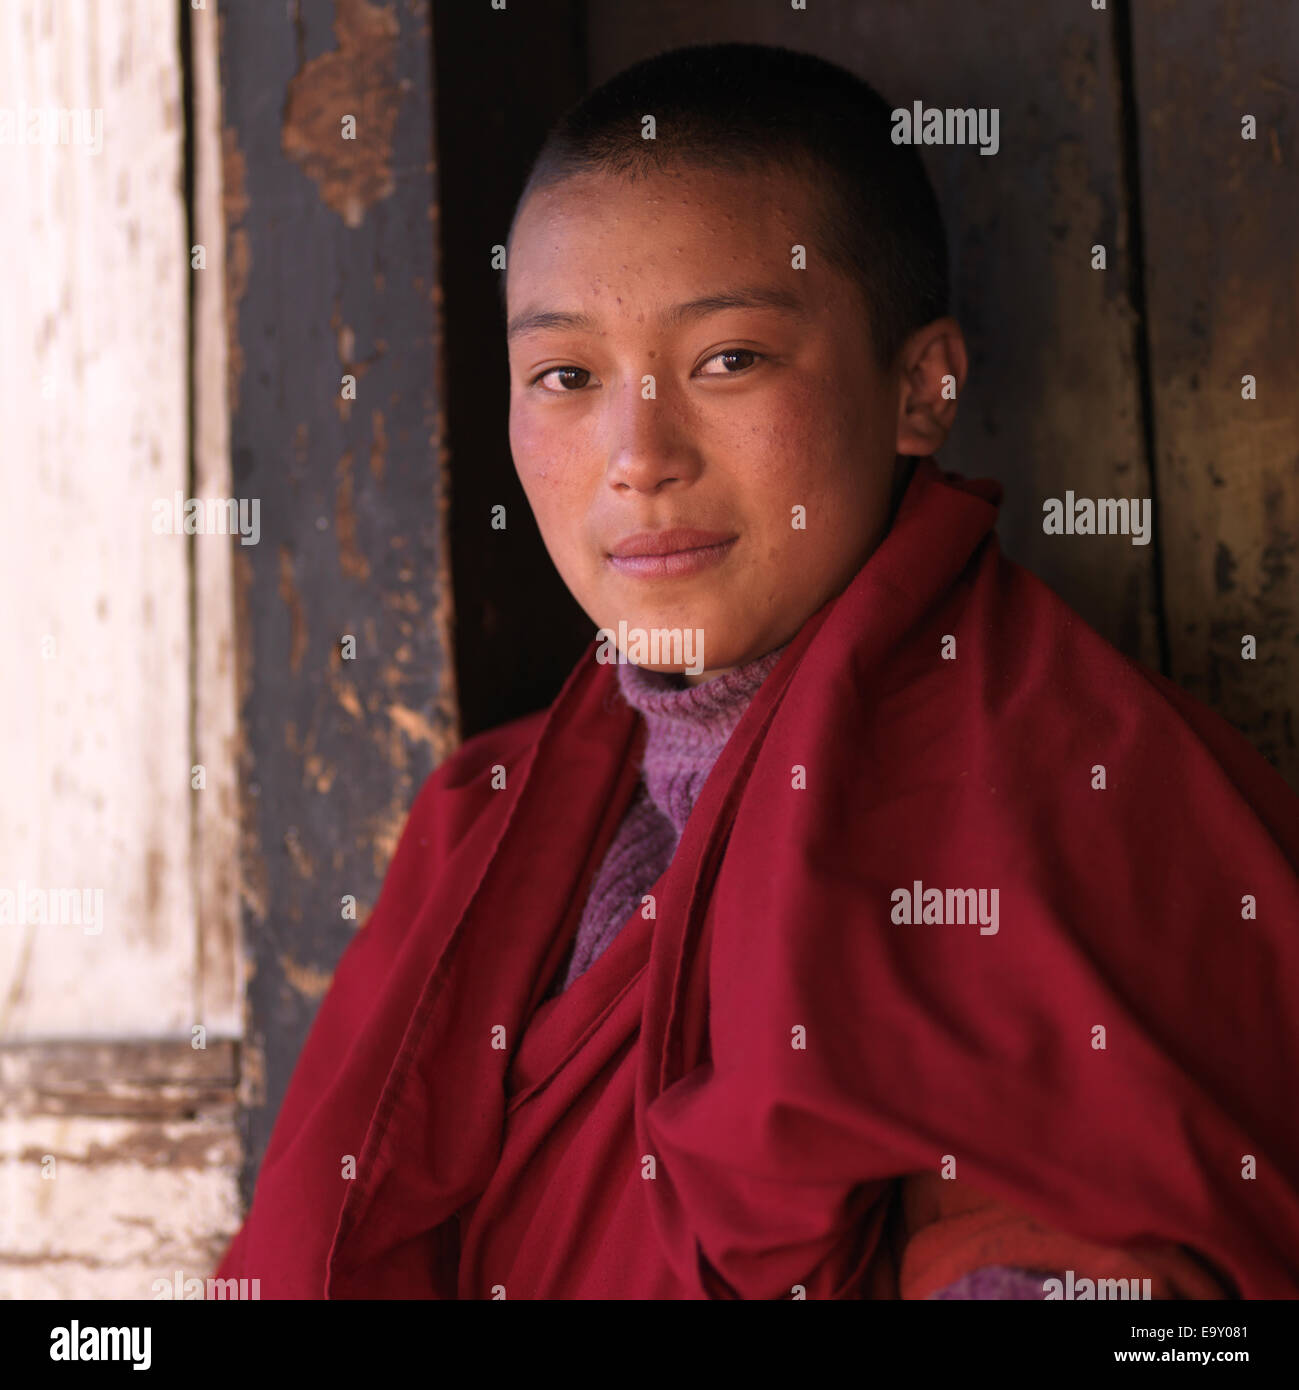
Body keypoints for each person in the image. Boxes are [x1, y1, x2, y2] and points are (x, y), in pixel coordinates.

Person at [214, 42, 1299, 1299]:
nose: (638, 455)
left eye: (728, 358)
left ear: (921, 386)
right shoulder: (479, 828)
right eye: (566, 376)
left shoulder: (1079, 795)